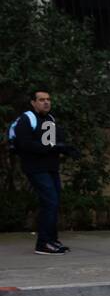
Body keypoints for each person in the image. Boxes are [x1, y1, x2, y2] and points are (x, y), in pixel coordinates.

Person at [12, 88, 78, 255]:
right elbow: (24, 144)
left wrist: (66, 149)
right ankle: (43, 243)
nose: (46, 102)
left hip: (51, 168)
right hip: (35, 168)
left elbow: (55, 141)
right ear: (33, 103)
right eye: (41, 100)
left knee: (53, 203)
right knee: (50, 202)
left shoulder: (50, 119)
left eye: (48, 99)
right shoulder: (27, 119)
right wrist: (51, 148)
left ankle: (52, 240)